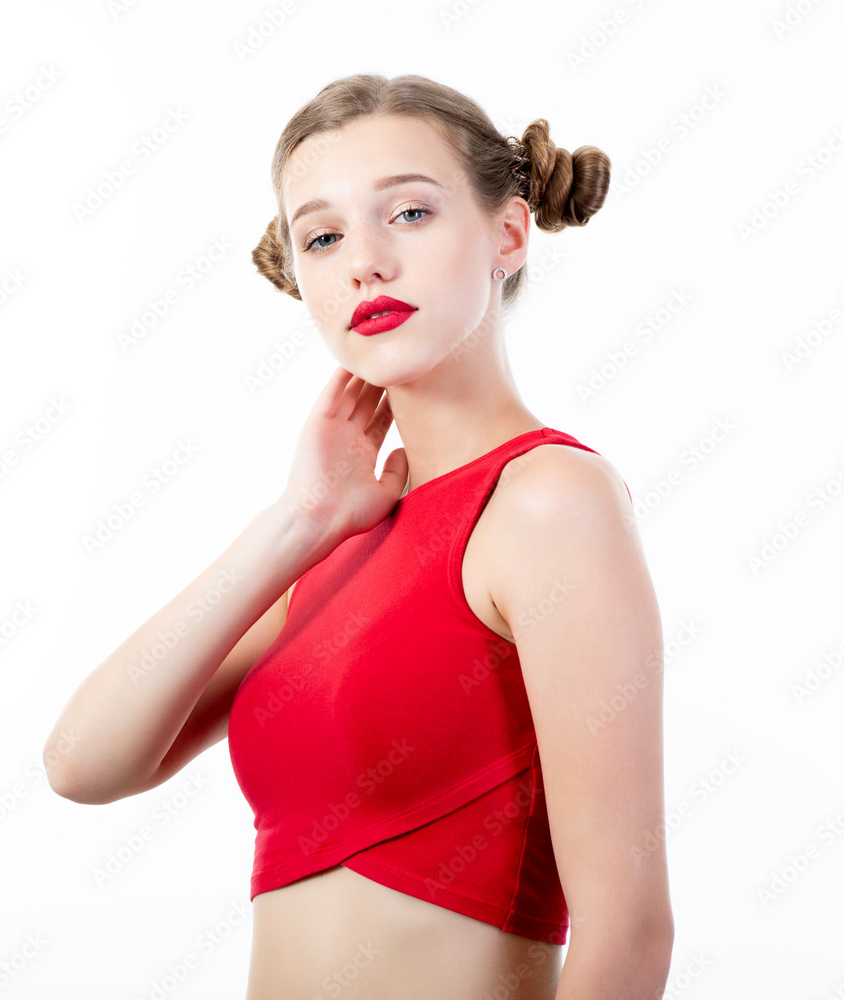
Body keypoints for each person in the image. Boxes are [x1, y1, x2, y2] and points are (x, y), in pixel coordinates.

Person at [44, 73, 673, 999]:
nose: (365, 265)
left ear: (507, 233)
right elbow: (83, 764)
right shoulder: (333, 541)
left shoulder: (548, 501)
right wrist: (297, 521)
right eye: (323, 237)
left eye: (409, 214)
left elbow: (629, 933)